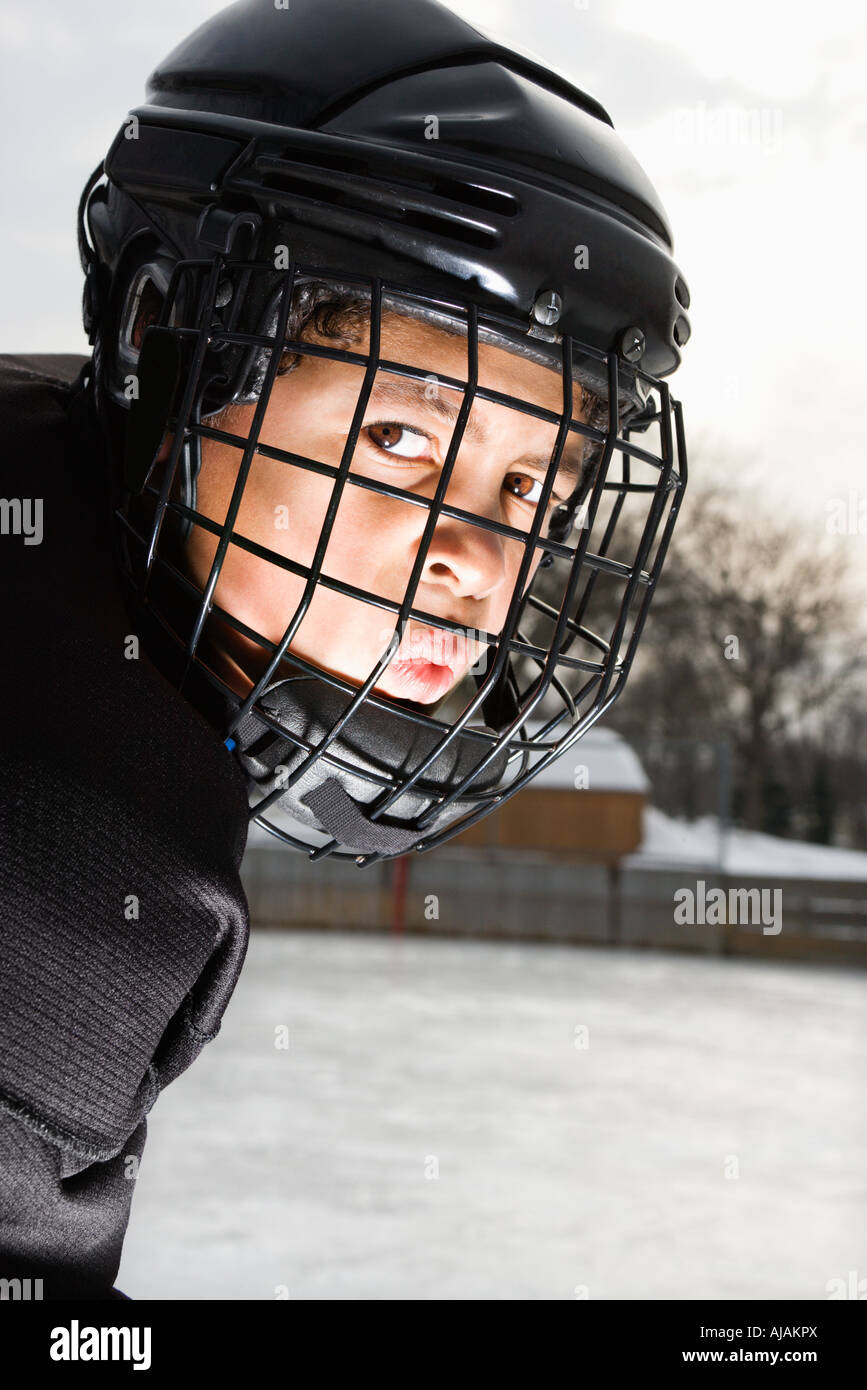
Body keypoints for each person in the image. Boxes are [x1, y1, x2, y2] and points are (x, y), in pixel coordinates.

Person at [0, 0, 690, 1298]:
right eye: (402, 443)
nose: (481, 555)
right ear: (164, 334)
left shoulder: (51, 476)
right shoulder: (73, 855)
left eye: (533, 487)